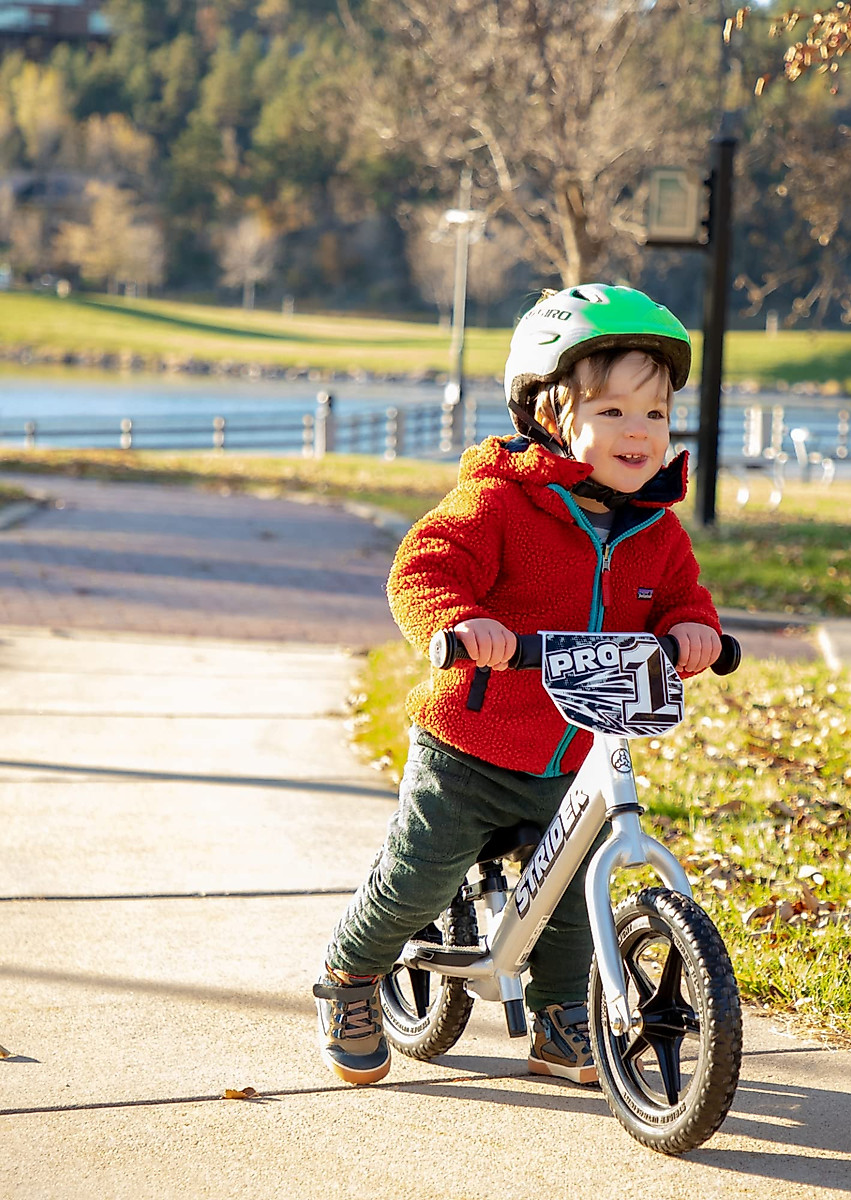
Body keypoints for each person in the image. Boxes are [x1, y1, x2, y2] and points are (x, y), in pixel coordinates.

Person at [314, 283, 723, 1087]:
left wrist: (693, 629)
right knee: (417, 879)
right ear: (547, 413)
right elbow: (425, 568)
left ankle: (564, 1017)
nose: (639, 431)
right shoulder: (500, 501)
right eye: (612, 411)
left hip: (580, 747)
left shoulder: (656, 528)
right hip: (472, 746)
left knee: (572, 893)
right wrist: (461, 622)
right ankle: (350, 975)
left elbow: (682, 596)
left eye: (656, 413)